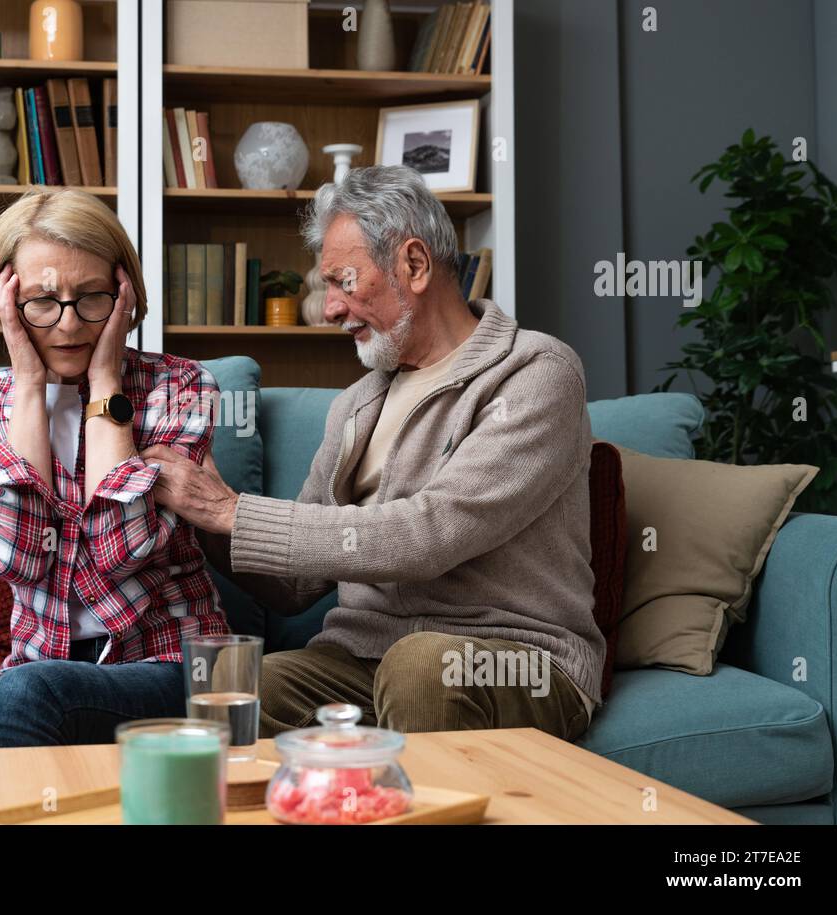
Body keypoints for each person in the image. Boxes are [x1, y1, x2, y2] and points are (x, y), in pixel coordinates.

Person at [144, 165, 605, 742]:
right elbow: (294, 588)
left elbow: (430, 534)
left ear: (413, 265)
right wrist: (201, 513)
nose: (330, 309)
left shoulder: (535, 372)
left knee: (421, 668)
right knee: (225, 687)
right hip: (360, 659)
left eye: (343, 280)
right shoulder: (357, 405)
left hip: (517, 658)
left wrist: (233, 512)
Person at [0, 187, 229, 751]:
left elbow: (121, 552)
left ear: (124, 294)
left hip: (173, 661)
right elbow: (15, 557)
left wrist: (105, 384)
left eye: (92, 297)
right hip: (40, 663)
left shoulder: (181, 388)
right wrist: (27, 384)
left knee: (33, 694)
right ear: (7, 298)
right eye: (43, 302)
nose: (69, 326)